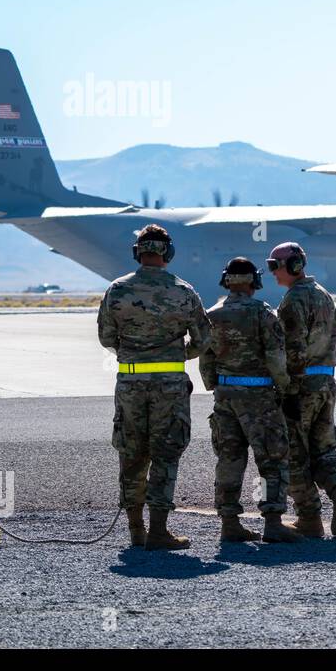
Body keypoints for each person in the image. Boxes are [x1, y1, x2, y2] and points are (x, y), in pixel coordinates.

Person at [97, 224, 210, 550]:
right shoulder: (184, 291)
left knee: (131, 454)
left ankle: (136, 531)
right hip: (170, 387)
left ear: (138, 252)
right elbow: (203, 340)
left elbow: (106, 338)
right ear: (168, 254)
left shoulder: (117, 291)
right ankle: (159, 530)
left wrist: (134, 353)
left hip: (130, 383)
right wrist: (176, 355)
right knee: (166, 453)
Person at [198, 257, 301, 544]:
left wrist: (216, 386)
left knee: (230, 459)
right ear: (254, 282)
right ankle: (272, 521)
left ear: (226, 281)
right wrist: (287, 390)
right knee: (270, 458)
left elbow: (205, 360)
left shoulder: (213, 314)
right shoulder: (262, 313)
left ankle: (229, 523)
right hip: (259, 400)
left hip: (225, 398)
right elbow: (276, 358)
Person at [267, 241, 336, 538]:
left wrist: (288, 390)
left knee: (294, 453)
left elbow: (292, 351)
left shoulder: (293, 301)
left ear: (292, 266)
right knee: (324, 448)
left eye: (274, 266)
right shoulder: (323, 296)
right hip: (326, 384)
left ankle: (309, 518)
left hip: (301, 385)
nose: (272, 273)